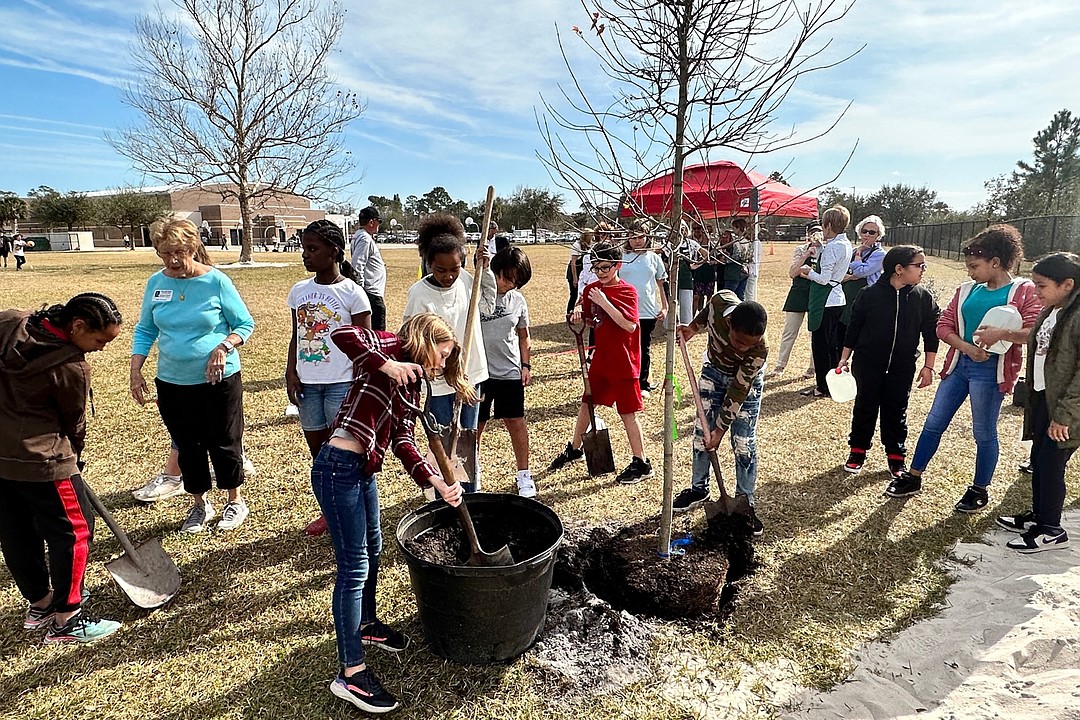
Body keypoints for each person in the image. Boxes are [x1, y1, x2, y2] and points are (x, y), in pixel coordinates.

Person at [317, 313, 467, 714]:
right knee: (353, 567)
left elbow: (403, 438)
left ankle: (366, 625)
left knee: (374, 547)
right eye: (441, 352)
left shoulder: (413, 384)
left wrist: (435, 481)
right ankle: (351, 674)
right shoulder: (386, 347)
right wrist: (387, 363)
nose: (440, 363)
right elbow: (341, 333)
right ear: (424, 339)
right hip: (336, 467)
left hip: (362, 470)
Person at [888, 225, 1041, 510]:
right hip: (960, 365)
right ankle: (913, 476)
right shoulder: (967, 290)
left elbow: (1034, 331)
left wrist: (1002, 335)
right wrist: (968, 347)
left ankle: (979, 489)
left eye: (975, 266)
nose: (970, 272)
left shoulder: (1023, 290)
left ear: (995, 262)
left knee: (983, 432)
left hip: (990, 370)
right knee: (934, 422)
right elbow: (943, 325)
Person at [0, 293, 124, 643]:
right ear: (77, 326)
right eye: (99, 340)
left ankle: (39, 605)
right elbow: (74, 423)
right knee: (74, 531)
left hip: (2, 455)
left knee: (15, 530)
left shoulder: (11, 323)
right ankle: (66, 618)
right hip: (44, 460)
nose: (100, 348)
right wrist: (74, 460)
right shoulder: (71, 367)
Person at [130, 217, 256, 533]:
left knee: (225, 441)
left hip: (219, 379)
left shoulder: (216, 282)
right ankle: (199, 504)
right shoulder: (156, 283)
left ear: (192, 247)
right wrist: (136, 369)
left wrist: (224, 346)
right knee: (187, 445)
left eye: (178, 252)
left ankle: (235, 501)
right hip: (173, 381)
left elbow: (244, 324)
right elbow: (146, 328)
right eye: (164, 254)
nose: (172, 261)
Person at [286, 220, 370, 537]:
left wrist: (361, 386)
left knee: (345, 455)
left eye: (312, 249)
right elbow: (296, 335)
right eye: (303, 248)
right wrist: (291, 370)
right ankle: (330, 512)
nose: (305, 255)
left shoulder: (353, 294)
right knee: (319, 456)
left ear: (333, 251)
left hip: (342, 384)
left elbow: (366, 344)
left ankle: (358, 513)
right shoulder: (299, 292)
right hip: (308, 385)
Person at [402, 214, 495, 493]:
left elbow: (488, 306)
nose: (449, 275)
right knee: (441, 436)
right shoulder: (419, 294)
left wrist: (485, 271)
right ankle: (443, 490)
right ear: (428, 264)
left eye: (454, 268)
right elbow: (411, 337)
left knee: (468, 435)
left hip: (471, 373)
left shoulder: (469, 281)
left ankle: (469, 490)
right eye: (441, 270)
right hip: (439, 381)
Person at [549, 239, 653, 484]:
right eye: (596, 268)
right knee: (588, 402)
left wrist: (605, 301)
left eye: (605, 267)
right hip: (601, 360)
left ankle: (642, 462)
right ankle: (575, 448)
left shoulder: (627, 291)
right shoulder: (591, 290)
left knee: (628, 413)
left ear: (618, 265)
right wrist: (577, 313)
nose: (601, 273)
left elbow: (629, 325)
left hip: (624, 362)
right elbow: (587, 318)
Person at [997, 252, 1080, 553]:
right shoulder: (1053, 308)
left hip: (1066, 409)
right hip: (1045, 398)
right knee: (1039, 461)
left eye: (1042, 285)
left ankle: (1052, 530)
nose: (1036, 291)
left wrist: (1065, 416)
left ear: (1067, 284)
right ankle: (1040, 515)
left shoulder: (1077, 315)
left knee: (1050, 463)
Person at [837, 246, 940, 478]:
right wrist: (844, 359)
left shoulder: (922, 297)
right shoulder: (869, 294)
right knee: (865, 406)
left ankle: (896, 455)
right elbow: (853, 328)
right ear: (899, 269)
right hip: (867, 364)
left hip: (902, 367)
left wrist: (928, 366)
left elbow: (931, 333)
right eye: (919, 265)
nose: (923, 270)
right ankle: (857, 451)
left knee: (896, 409)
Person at [671, 291, 768, 536]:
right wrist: (693, 327)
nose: (744, 347)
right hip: (713, 371)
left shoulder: (759, 350)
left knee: (743, 443)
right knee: (700, 436)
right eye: (739, 342)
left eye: (750, 344)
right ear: (730, 322)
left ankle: (745, 502)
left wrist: (720, 430)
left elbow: (738, 389)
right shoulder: (720, 301)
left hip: (744, 384)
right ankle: (699, 488)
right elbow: (708, 312)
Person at [478, 246, 535, 497]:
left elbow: (524, 337)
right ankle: (472, 472)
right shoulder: (478, 294)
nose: (510, 285)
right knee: (475, 426)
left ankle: (524, 475)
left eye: (517, 281)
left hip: (510, 372)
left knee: (516, 423)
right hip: (479, 373)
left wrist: (526, 365)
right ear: (495, 270)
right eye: (507, 278)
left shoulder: (518, 301)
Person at [801, 206, 853, 398]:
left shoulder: (833, 247)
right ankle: (832, 383)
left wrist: (808, 273)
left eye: (823, 225)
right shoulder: (844, 243)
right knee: (833, 345)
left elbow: (823, 278)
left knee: (821, 346)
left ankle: (822, 387)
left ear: (828, 225)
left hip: (827, 300)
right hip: (838, 298)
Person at [619, 218, 668, 397]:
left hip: (647, 311)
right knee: (625, 348)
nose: (637, 240)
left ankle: (642, 384)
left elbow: (662, 284)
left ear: (647, 237)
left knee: (643, 348)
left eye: (641, 236)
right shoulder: (621, 257)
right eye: (633, 236)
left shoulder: (654, 258)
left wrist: (664, 307)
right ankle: (625, 382)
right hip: (624, 312)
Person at [768, 226, 820, 378]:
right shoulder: (800, 249)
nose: (815, 236)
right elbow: (793, 273)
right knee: (790, 331)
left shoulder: (826, 250)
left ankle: (812, 367)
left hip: (815, 294)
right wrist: (805, 255)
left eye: (818, 232)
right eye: (812, 232)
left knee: (814, 333)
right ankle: (780, 364)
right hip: (798, 293)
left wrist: (808, 273)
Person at [839, 215, 887, 330]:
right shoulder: (852, 251)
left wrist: (859, 252)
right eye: (864, 231)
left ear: (878, 236)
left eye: (872, 232)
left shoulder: (879, 254)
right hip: (846, 298)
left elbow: (860, 272)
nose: (867, 235)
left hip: (866, 298)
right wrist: (850, 277)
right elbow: (840, 272)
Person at [350, 207, 387, 331]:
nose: (379, 225)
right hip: (371, 292)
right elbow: (357, 265)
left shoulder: (360, 236)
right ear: (371, 222)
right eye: (378, 221)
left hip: (371, 291)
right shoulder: (365, 239)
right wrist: (360, 290)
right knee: (378, 331)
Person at [566, 228, 594, 315]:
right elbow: (573, 263)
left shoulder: (589, 245)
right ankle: (569, 313)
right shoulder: (577, 245)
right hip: (575, 271)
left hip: (583, 272)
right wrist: (575, 278)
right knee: (574, 295)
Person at [690, 223, 716, 316]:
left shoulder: (710, 241)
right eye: (694, 228)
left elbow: (715, 256)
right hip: (697, 271)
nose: (697, 230)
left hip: (709, 270)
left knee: (709, 296)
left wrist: (713, 261)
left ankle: (707, 317)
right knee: (696, 296)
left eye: (699, 228)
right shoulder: (690, 240)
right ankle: (692, 317)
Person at [736, 218, 763, 302]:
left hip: (751, 271)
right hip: (747, 271)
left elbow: (753, 258)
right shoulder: (748, 241)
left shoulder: (756, 243)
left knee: (749, 294)